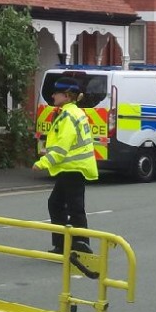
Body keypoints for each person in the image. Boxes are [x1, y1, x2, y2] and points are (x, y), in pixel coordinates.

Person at [33, 77, 100, 277]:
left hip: (74, 168)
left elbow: (61, 148)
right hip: (71, 168)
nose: (52, 95)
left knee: (74, 209)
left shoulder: (70, 116)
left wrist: (42, 163)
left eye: (56, 93)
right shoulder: (68, 113)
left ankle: (80, 249)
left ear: (67, 95)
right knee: (57, 204)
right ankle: (65, 246)